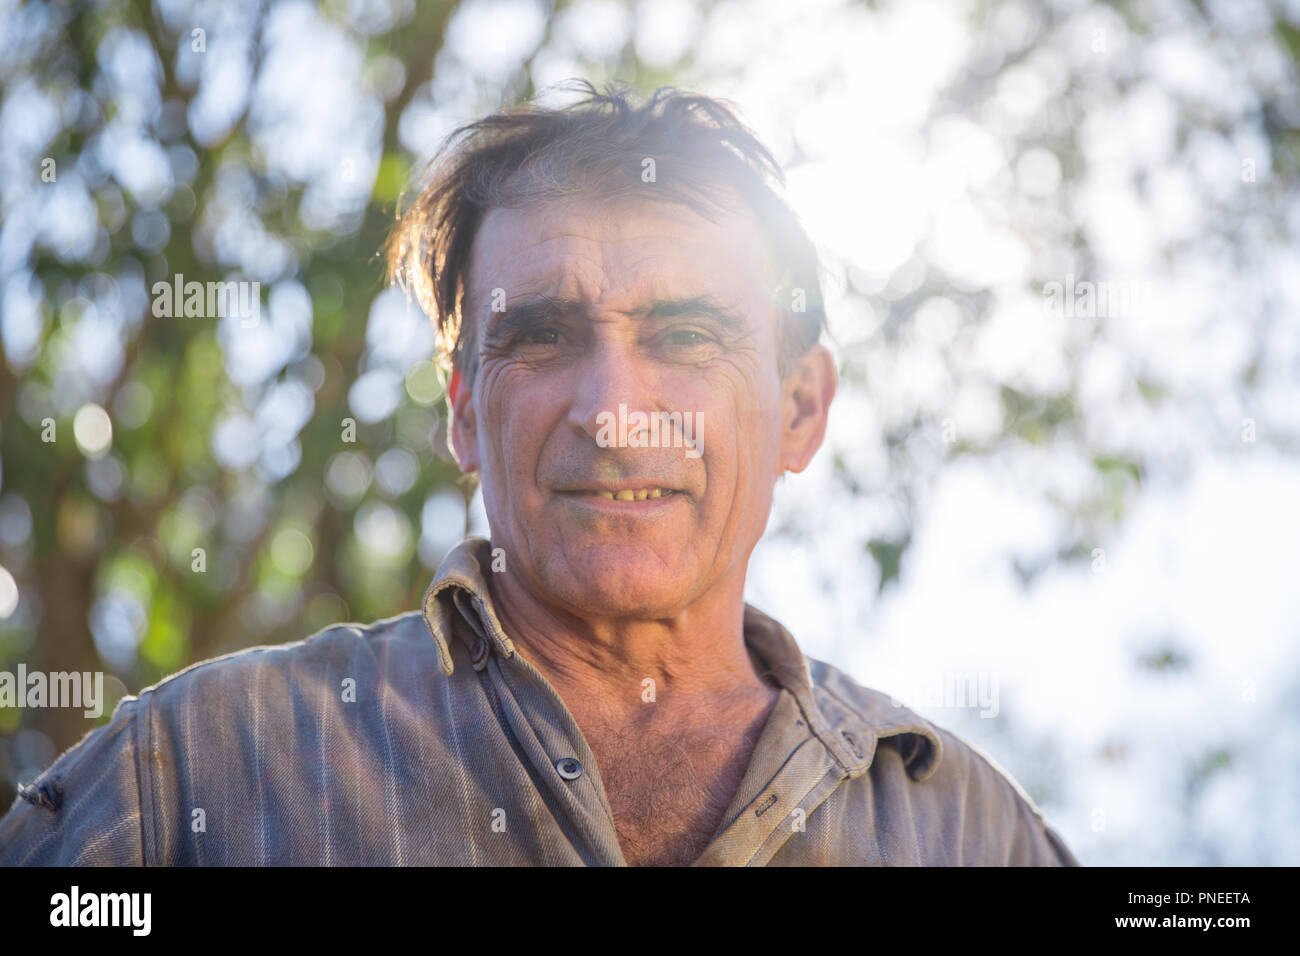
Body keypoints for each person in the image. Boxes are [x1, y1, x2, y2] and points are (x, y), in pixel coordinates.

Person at [0, 82, 1077, 866]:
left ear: (800, 407)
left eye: (688, 336)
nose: (611, 413)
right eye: (545, 336)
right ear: (465, 415)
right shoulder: (197, 770)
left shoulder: (966, 830)